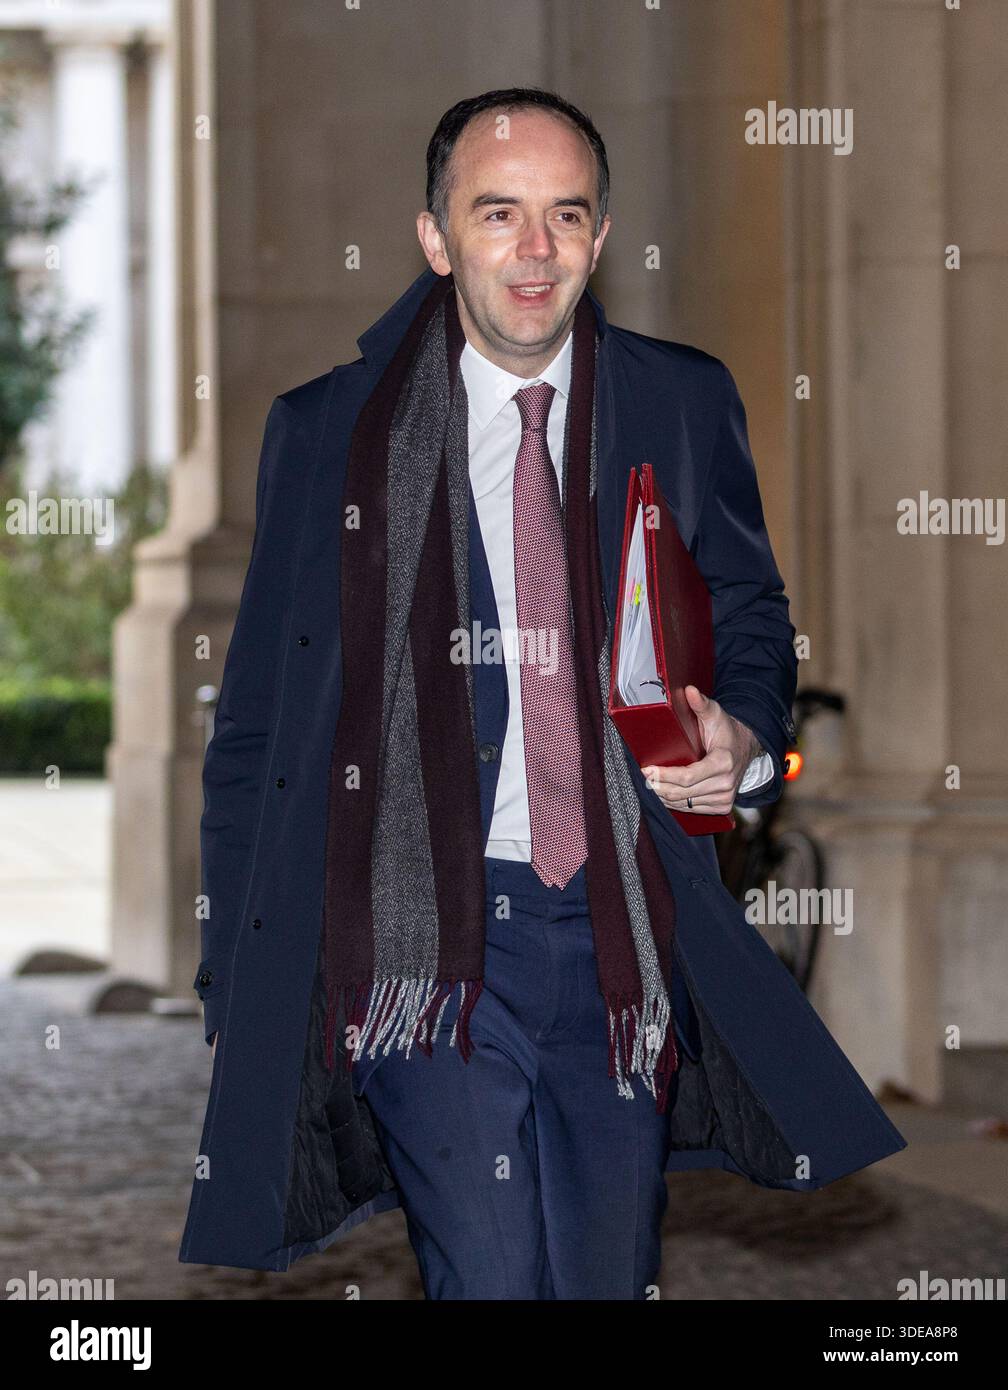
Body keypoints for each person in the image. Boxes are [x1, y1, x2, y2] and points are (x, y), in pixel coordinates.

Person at [180, 87, 906, 1300]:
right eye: (497, 214)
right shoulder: (330, 431)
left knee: (606, 1275)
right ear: (434, 237)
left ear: (601, 237)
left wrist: (747, 731)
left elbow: (752, 617)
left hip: (624, 934)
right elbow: (260, 718)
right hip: (428, 943)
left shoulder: (678, 400)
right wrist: (232, 975)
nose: (534, 251)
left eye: (565, 216)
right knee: (493, 1271)